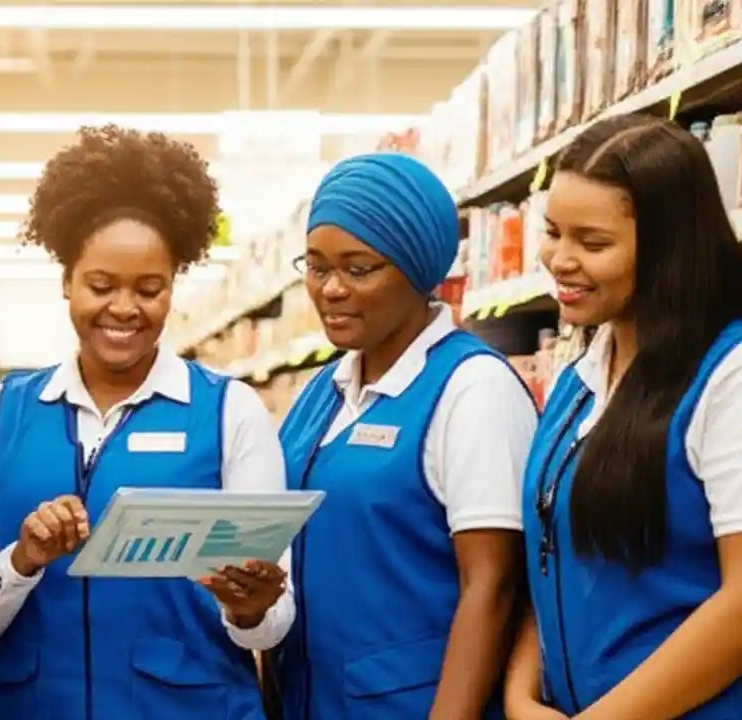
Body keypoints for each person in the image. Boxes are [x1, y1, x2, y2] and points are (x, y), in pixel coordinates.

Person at [0, 124, 291, 719]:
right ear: (66, 282)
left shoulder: (229, 412)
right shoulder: (0, 415)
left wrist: (252, 607)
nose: (123, 308)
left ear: (173, 288)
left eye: (149, 288)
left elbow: (272, 626)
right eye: (100, 285)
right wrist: (24, 558)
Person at [270, 152, 537, 719]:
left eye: (358, 268)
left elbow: (492, 587)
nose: (330, 289)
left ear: (418, 271)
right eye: (316, 266)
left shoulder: (472, 389)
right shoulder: (322, 391)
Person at [505, 115, 742, 719]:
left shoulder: (727, 375)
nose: (559, 260)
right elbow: (548, 552)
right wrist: (520, 696)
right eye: (553, 232)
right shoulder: (577, 381)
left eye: (593, 242)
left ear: (668, 248)